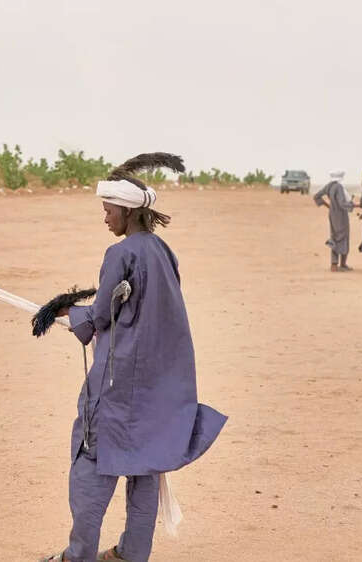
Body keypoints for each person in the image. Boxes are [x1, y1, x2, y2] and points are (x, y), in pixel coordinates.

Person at [40, 154, 227, 562]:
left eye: (108, 211)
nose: (104, 218)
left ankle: (78, 556)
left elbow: (103, 314)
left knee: (91, 469)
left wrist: (69, 314)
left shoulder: (119, 254)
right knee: (143, 471)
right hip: (158, 388)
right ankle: (131, 554)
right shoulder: (163, 251)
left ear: (126, 210)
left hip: (117, 385)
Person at [313, 170, 355, 272]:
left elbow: (316, 196)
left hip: (332, 215)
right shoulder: (339, 187)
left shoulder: (329, 186)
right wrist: (352, 205)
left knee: (334, 237)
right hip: (341, 216)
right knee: (343, 237)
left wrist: (329, 206)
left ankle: (334, 264)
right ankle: (342, 264)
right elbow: (342, 203)